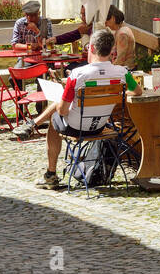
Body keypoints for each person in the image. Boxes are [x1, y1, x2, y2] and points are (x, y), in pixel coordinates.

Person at [11, 28, 141, 189]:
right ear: (111, 50)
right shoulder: (123, 73)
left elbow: (63, 111)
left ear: (92, 48)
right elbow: (138, 91)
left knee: (54, 121)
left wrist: (62, 101)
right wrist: (118, 92)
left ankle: (51, 174)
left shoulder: (76, 75)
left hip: (76, 127)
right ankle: (32, 125)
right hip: (101, 126)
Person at [11, 0, 90, 53]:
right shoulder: (20, 23)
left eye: (32, 15)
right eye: (27, 15)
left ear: (38, 13)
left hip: (43, 56)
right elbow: (14, 45)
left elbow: (46, 45)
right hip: (24, 56)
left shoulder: (45, 22)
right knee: (14, 75)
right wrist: (29, 47)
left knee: (42, 69)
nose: (29, 18)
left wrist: (36, 30)